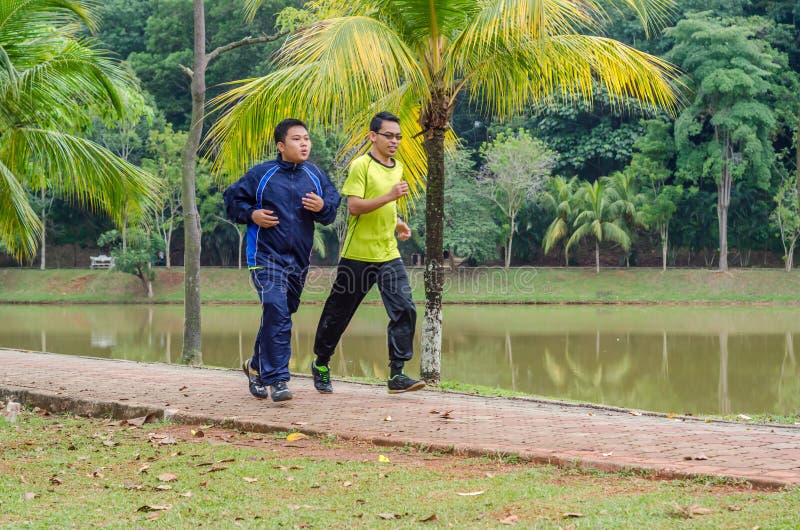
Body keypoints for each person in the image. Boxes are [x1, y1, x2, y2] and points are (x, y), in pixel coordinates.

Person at [224, 118, 340, 402]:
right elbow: (231, 200)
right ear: (281, 145)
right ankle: (278, 380)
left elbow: (332, 208)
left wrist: (323, 206)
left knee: (281, 313)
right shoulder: (262, 175)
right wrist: (252, 214)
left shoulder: (314, 175)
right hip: (264, 257)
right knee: (276, 308)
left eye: (307, 139)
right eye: (297, 139)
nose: (304, 144)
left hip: (298, 262)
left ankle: (255, 367)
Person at [311, 111, 425, 394]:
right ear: (373, 136)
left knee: (405, 309)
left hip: (388, 253)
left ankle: (397, 374)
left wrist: (398, 222)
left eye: (398, 136)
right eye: (389, 135)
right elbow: (354, 207)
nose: (394, 141)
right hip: (358, 255)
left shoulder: (397, 167)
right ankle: (321, 363)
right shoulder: (360, 165)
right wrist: (389, 196)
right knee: (339, 314)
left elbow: (388, 207)